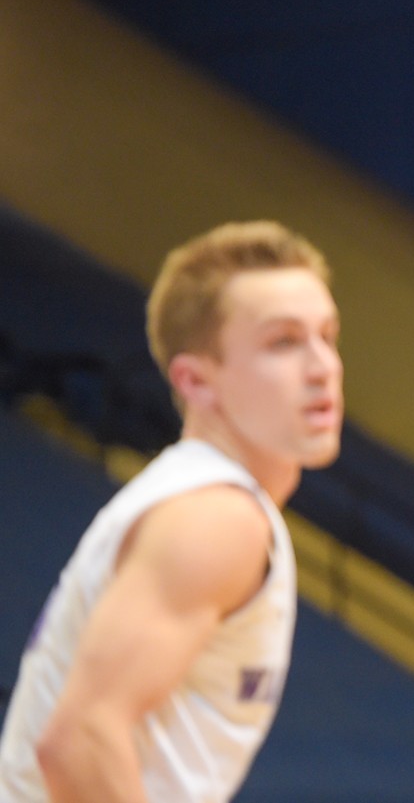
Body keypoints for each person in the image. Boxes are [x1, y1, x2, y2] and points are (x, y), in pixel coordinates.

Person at [0, 221, 343, 803]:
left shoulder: (195, 497)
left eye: (327, 337)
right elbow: (79, 741)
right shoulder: (216, 516)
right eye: (283, 342)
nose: (322, 367)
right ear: (196, 381)